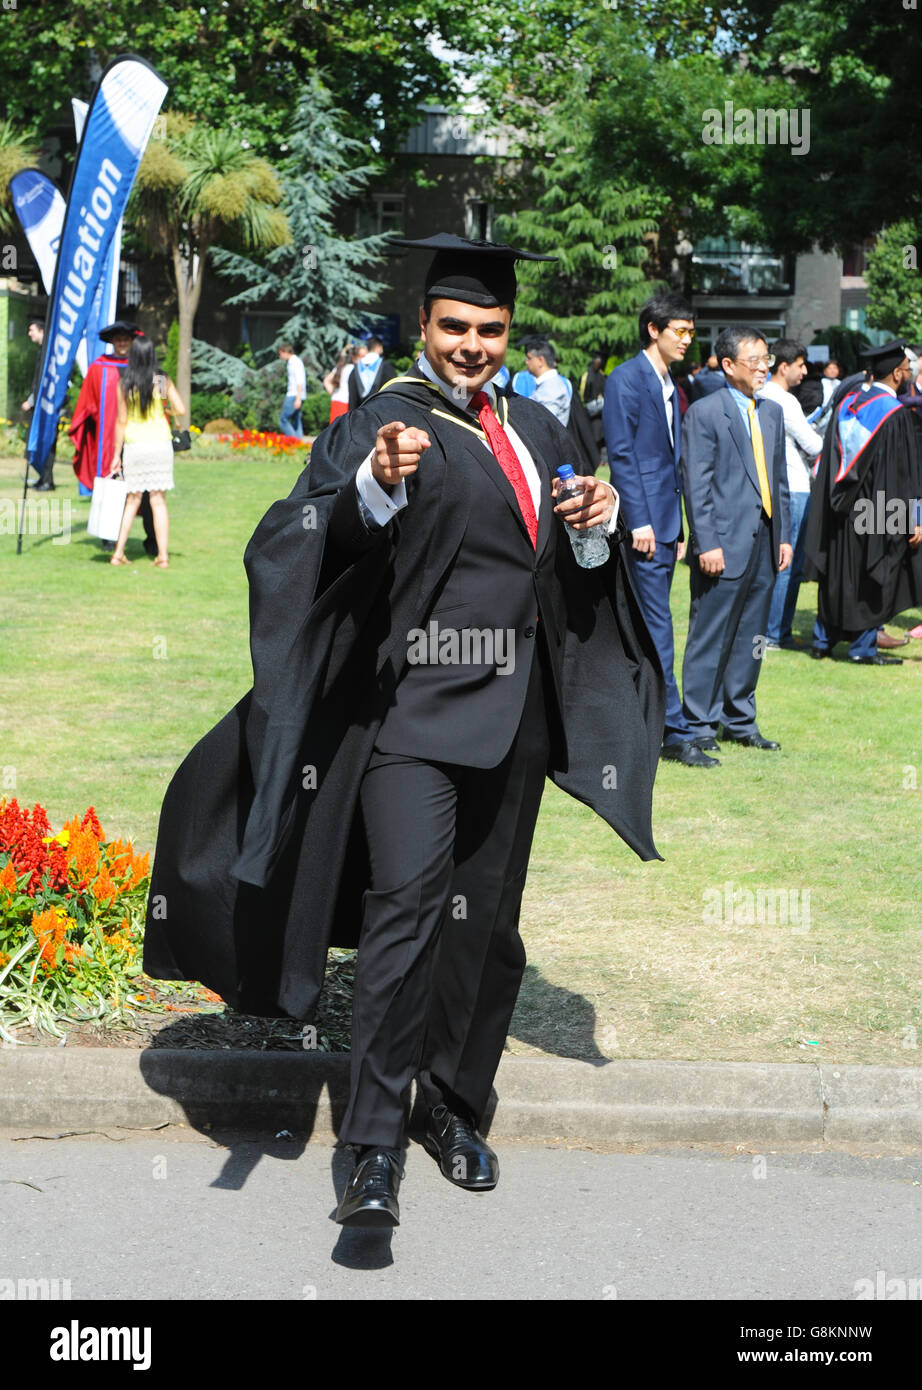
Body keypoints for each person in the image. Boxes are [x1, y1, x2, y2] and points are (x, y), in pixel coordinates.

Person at [142, 231, 664, 1230]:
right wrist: (377, 487)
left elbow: (568, 571)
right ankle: (372, 1144)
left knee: (487, 931)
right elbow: (311, 534)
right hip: (411, 721)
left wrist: (596, 525)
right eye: (455, 326)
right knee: (405, 916)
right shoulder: (384, 423)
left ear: (508, 332)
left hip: (518, 723)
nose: (473, 344)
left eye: (490, 329)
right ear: (423, 325)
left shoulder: (539, 426)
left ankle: (454, 1105)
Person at [604, 293, 714, 768]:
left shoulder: (671, 380)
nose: (688, 340)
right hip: (645, 523)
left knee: (650, 624)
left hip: (667, 522)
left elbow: (669, 460)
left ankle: (653, 721)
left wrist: (678, 525)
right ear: (654, 329)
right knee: (657, 626)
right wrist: (642, 520)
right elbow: (622, 453)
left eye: (691, 332)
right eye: (680, 331)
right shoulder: (627, 378)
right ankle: (673, 730)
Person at [681, 326, 792, 751]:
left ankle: (741, 720)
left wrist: (782, 536)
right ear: (728, 365)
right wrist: (706, 542)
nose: (764, 367)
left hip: (764, 541)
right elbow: (697, 484)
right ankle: (700, 724)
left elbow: (778, 480)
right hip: (723, 543)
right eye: (755, 360)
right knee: (711, 635)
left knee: (753, 637)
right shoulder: (705, 413)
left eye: (767, 359)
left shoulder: (772, 412)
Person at [803, 339, 922, 665]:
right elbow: (903, 475)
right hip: (876, 509)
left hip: (839, 507)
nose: (909, 374)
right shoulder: (894, 414)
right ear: (896, 374)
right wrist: (913, 517)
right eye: (907, 369)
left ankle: (822, 641)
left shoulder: (848, 405)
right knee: (874, 570)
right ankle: (862, 648)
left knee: (837, 572)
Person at [69, 320, 157, 555]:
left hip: (142, 439)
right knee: (113, 486)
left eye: (126, 339)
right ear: (112, 342)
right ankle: (109, 537)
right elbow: (87, 403)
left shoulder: (147, 370)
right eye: (118, 339)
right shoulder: (99, 368)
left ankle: (153, 540)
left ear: (133, 342)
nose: (122, 343)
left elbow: (163, 403)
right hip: (109, 438)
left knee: (148, 491)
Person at [758, 340, 824, 651]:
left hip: (774, 486)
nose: (805, 371)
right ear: (783, 367)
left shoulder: (760, 394)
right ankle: (776, 632)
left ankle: (775, 630)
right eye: (800, 365)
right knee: (789, 562)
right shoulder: (784, 400)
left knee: (780, 560)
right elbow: (813, 444)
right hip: (794, 486)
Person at [108, 335, 185, 569]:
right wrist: (167, 411)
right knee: (158, 501)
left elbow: (121, 421)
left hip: (135, 445)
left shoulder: (126, 382)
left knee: (132, 501)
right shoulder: (160, 380)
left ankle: (118, 553)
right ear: (152, 355)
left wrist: (116, 455)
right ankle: (163, 556)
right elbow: (180, 409)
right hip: (160, 443)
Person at [524, 337, 598, 473]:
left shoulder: (552, 387)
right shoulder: (549, 384)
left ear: (540, 360)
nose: (526, 361)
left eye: (529, 358)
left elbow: (543, 428)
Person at [21, 318, 56, 491]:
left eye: (32, 330)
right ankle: (43, 478)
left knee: (47, 442)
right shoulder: (43, 350)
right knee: (40, 442)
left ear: (41, 331)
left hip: (47, 405)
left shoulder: (49, 352)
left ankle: (48, 481)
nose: (29, 334)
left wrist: (31, 401)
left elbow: (44, 381)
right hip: (39, 404)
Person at [347, 335, 396, 408]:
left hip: (360, 412)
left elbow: (352, 400)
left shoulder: (355, 369)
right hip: (380, 411)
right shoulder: (386, 367)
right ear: (379, 347)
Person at [277, 343, 306, 438]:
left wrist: (298, 398)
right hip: (297, 395)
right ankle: (298, 441)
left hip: (294, 395)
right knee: (296, 419)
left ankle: (293, 440)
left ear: (285, 352)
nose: (280, 357)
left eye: (280, 354)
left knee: (283, 420)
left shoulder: (295, 362)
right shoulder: (292, 362)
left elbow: (300, 381)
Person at [323, 345, 356, 423]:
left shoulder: (339, 367)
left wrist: (332, 392)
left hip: (336, 400)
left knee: (334, 427)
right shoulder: (353, 368)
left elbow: (326, 381)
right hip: (347, 402)